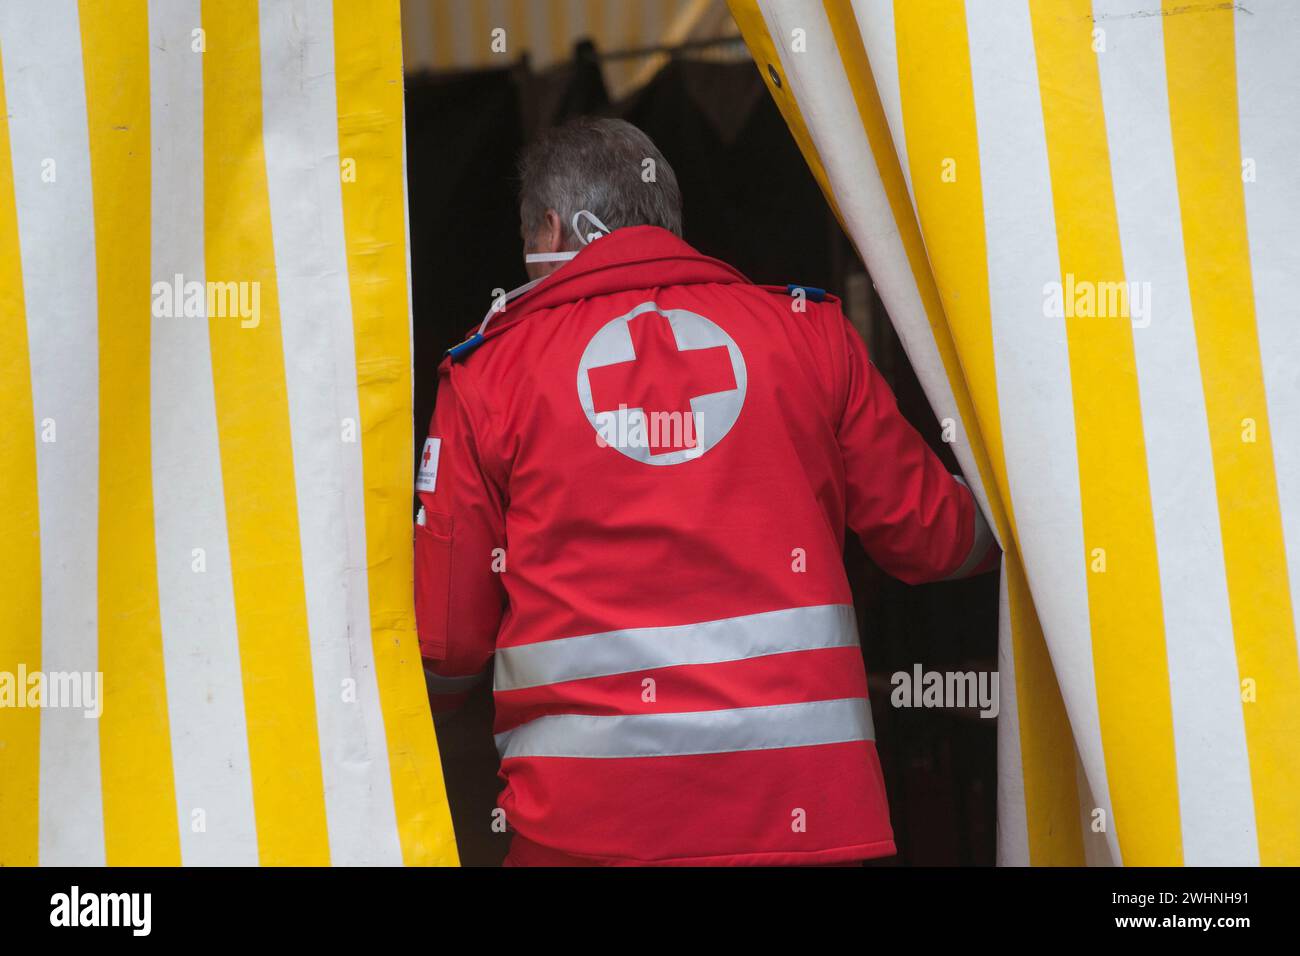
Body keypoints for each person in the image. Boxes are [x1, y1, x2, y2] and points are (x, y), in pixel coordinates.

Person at [414, 116, 998, 867]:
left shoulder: (489, 374)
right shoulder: (809, 334)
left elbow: (449, 641)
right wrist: (1037, 525)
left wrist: (427, 705)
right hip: (804, 818)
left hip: (587, 833)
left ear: (552, 230)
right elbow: (934, 537)